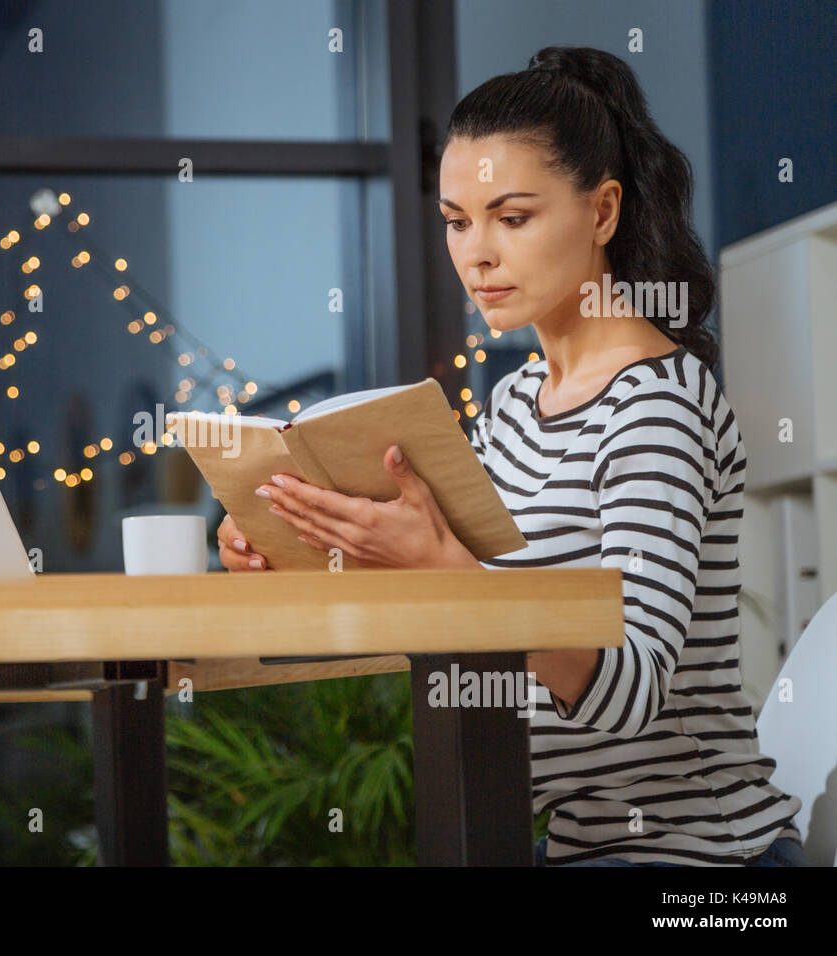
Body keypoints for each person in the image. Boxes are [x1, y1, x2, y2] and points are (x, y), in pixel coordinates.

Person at [217, 47, 804, 867]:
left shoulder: (658, 407)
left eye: (513, 217)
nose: (476, 254)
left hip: (699, 860)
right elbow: (454, 601)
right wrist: (295, 545)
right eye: (458, 220)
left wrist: (444, 573)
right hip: (571, 850)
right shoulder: (515, 406)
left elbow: (631, 692)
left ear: (602, 213)